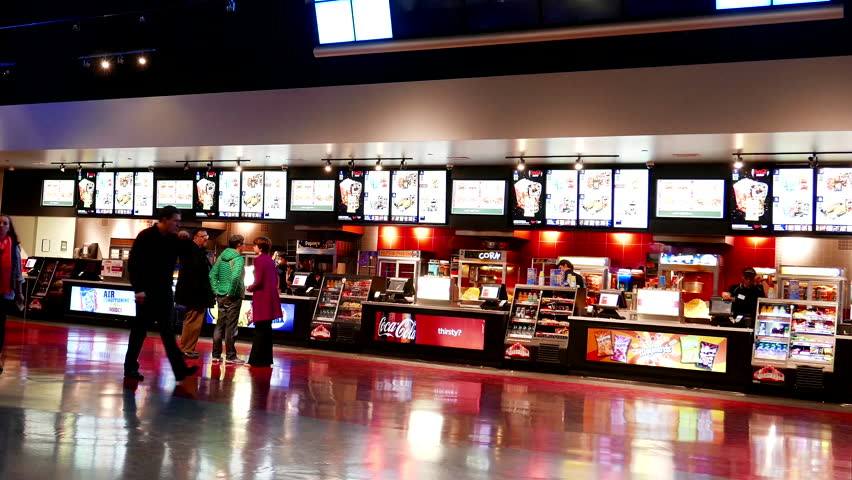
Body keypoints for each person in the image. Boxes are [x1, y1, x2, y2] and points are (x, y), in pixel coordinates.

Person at [124, 206, 199, 382]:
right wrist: (138, 289)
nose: (178, 224)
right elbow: (134, 264)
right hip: (147, 293)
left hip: (164, 291)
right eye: (176, 220)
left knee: (168, 332)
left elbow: (191, 255)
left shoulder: (174, 239)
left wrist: (187, 239)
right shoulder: (145, 236)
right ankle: (130, 368)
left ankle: (180, 371)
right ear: (164, 219)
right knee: (139, 332)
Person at [175, 228, 215, 359]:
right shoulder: (191, 250)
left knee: (193, 321)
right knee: (193, 321)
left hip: (195, 293)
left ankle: (188, 347)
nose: (206, 239)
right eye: (204, 236)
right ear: (196, 237)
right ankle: (186, 348)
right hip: (195, 293)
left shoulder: (195, 251)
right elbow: (196, 274)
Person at [209, 234, 246, 364]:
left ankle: (216, 355)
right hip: (233, 296)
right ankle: (230, 356)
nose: (244, 246)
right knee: (231, 327)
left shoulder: (220, 258)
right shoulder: (238, 259)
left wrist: (216, 290)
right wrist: (230, 293)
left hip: (220, 295)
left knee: (219, 325)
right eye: (244, 243)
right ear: (239, 245)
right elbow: (236, 277)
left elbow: (212, 274)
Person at [247, 237, 279, 368]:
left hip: (261, 299)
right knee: (266, 331)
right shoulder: (270, 261)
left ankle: (255, 361)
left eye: (255, 246)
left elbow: (258, 280)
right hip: (270, 298)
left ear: (260, 247)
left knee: (259, 330)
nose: (253, 248)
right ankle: (266, 360)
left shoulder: (259, 260)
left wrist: (250, 287)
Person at [0, 215, 24, 376]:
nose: (1, 225)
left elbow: (17, 271)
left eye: (5, 223)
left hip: (5, 292)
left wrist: (20, 293)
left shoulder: (13, 246)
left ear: (9, 227)